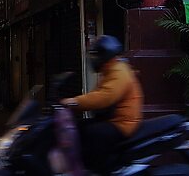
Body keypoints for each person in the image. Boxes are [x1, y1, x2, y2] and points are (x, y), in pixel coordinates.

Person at [59, 35, 143, 170]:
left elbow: (104, 97)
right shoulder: (110, 70)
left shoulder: (119, 71)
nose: (93, 60)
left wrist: (75, 102)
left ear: (105, 55)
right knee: (78, 128)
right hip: (112, 119)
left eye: (96, 56)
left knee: (94, 133)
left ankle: (101, 170)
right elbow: (96, 95)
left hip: (122, 123)